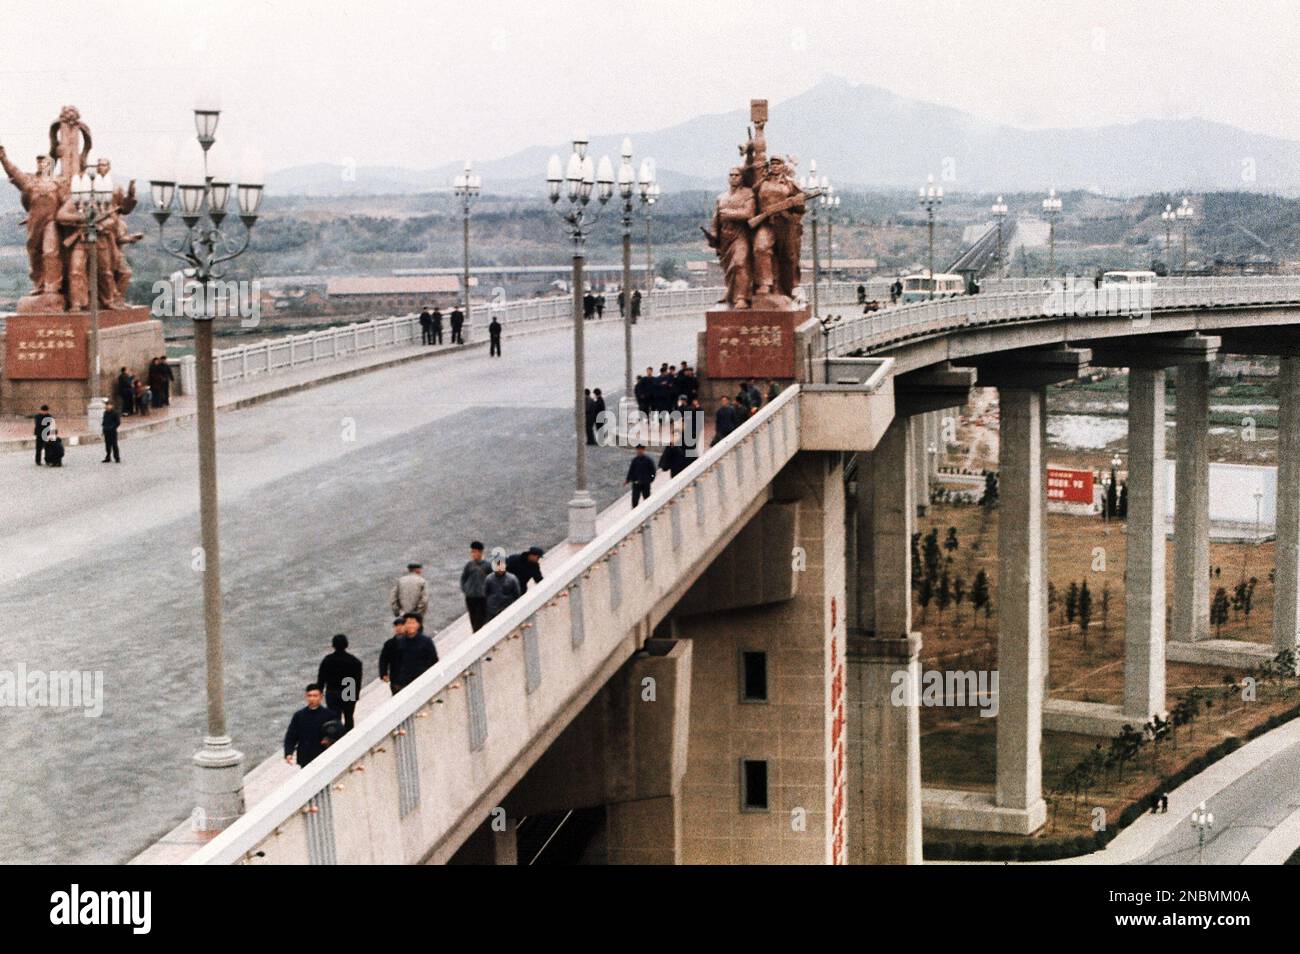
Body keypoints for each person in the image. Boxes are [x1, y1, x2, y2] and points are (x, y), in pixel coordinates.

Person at [283, 684, 338, 768]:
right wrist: (288, 753)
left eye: (315, 696)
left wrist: (329, 740)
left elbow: (338, 733)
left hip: (324, 755)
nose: (312, 699)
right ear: (306, 697)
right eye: (309, 696)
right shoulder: (299, 715)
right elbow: (291, 736)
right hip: (305, 756)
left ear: (321, 697)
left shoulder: (330, 715)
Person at [317, 634, 363, 734]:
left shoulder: (327, 660)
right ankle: (350, 737)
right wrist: (356, 695)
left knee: (334, 718)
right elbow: (357, 680)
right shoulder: (354, 661)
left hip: (333, 691)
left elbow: (321, 679)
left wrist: (319, 691)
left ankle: (336, 738)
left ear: (333, 645)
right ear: (346, 645)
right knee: (349, 717)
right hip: (349, 690)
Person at [392, 613, 438, 691]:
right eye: (408, 623)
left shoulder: (426, 641)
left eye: (413, 623)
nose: (410, 626)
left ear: (419, 625)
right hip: (405, 682)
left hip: (423, 679)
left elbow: (434, 660)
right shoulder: (399, 643)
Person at [460, 541, 491, 631]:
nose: (473, 554)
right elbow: (463, 578)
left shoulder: (487, 566)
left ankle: (477, 636)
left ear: (480, 552)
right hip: (470, 597)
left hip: (482, 598)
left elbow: (492, 580)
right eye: (472, 552)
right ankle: (475, 634)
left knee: (480, 620)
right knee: (473, 619)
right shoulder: (469, 565)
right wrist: (465, 590)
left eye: (475, 552)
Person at [378, 617, 406, 695]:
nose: (399, 628)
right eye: (397, 626)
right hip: (396, 680)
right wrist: (383, 673)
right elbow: (383, 659)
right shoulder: (389, 644)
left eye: (401, 625)